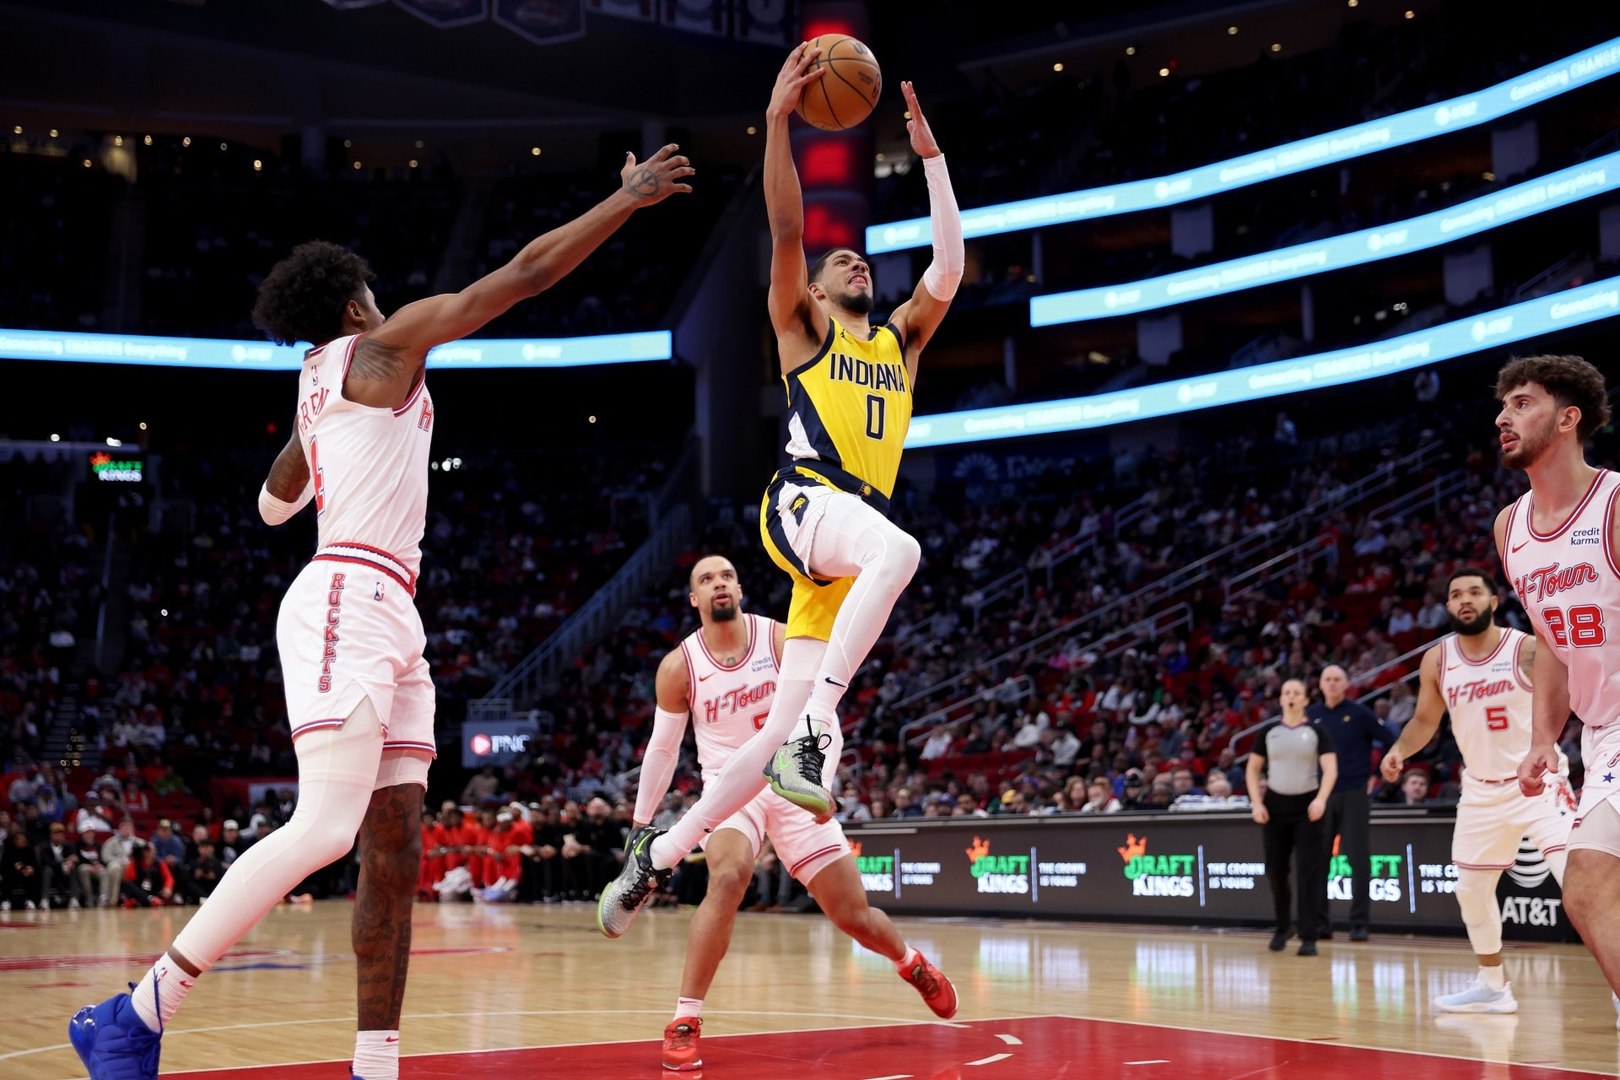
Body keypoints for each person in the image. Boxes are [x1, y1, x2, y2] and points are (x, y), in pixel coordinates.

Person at [68, 143, 695, 1080]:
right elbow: (521, 276)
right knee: (325, 829)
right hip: (344, 596)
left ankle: (376, 1062)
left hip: (391, 609)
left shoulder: (315, 384)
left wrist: (309, 454)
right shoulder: (385, 344)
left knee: (395, 844)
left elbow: (269, 503)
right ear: (358, 302)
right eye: (377, 288)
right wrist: (624, 201)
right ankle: (140, 1011)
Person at [597, 48, 963, 939]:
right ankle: (815, 737)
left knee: (773, 737)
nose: (856, 264)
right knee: (902, 551)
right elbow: (789, 226)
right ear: (817, 285)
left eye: (863, 261)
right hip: (802, 504)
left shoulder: (899, 343)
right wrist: (777, 121)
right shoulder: (803, 327)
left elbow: (947, 270)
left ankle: (658, 851)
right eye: (843, 261)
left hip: (836, 550)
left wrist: (932, 162)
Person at [632, 554, 957, 1070]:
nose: (718, 584)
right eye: (706, 579)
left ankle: (910, 963)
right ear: (694, 599)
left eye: (725, 576)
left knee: (852, 916)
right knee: (729, 875)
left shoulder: (781, 640)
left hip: (790, 780)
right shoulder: (679, 667)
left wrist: (817, 781)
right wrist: (640, 823)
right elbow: (662, 750)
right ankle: (685, 1019)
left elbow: (822, 716)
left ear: (738, 589)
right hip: (728, 789)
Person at [1380, 566, 1572, 1012]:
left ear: (1492, 601)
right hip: (1481, 792)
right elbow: (1426, 721)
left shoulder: (1525, 648)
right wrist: (1399, 750)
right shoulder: (1438, 659)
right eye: (1455, 594)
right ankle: (1493, 985)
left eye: (1474, 592)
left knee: (1580, 887)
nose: (1465, 599)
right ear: (1447, 607)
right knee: (1470, 891)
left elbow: (1565, 698)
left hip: (1539, 784)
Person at [1500, 354, 1620, 1026]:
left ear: (1567, 418)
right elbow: (1550, 639)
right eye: (1503, 405)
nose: (1503, 416)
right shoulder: (1510, 529)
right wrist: (1544, 738)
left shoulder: (1614, 504)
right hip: (1599, 731)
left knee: (1587, 888)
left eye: (1522, 403)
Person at [1246, 679, 1338, 957]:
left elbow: (1331, 770)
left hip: (1307, 807)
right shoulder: (1269, 731)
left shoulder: (1316, 731)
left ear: (1306, 700)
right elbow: (1252, 770)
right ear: (1281, 698)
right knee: (1275, 870)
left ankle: (1308, 935)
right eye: (1287, 693)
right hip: (1275, 807)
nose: (1291, 697)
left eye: (1297, 693)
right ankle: (1283, 926)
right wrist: (1256, 803)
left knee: (1308, 872)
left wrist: (1321, 799)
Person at [1307, 664, 1396, 941]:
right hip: (1320, 795)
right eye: (1328, 679)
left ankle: (1360, 923)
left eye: (1337, 679)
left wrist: (1377, 771)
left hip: (1354, 792)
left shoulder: (1359, 713)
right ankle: (1320, 924)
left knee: (1358, 859)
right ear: (1321, 685)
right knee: (1318, 860)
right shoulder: (1311, 716)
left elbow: (1391, 740)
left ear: (1346, 684)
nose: (1332, 683)